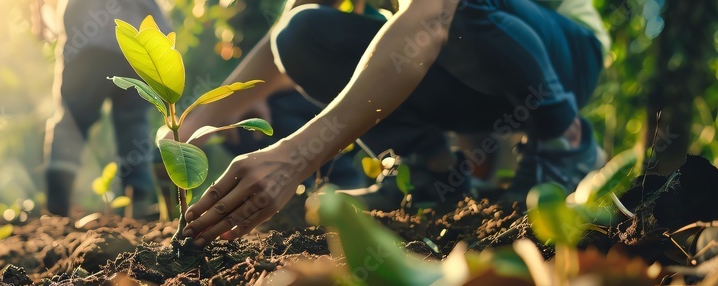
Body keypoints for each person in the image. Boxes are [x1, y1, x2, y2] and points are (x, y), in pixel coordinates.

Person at [178, 0, 610, 246]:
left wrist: (296, 156)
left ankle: (566, 140)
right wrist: (195, 123)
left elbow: (435, 15)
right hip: (461, 73)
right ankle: (431, 171)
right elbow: (281, 42)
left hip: (564, 54)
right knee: (302, 33)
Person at [41, 0, 170, 218]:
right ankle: (136, 202)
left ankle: (58, 207)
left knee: (72, 120)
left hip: (89, 38)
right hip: (138, 41)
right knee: (133, 121)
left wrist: (39, 13)